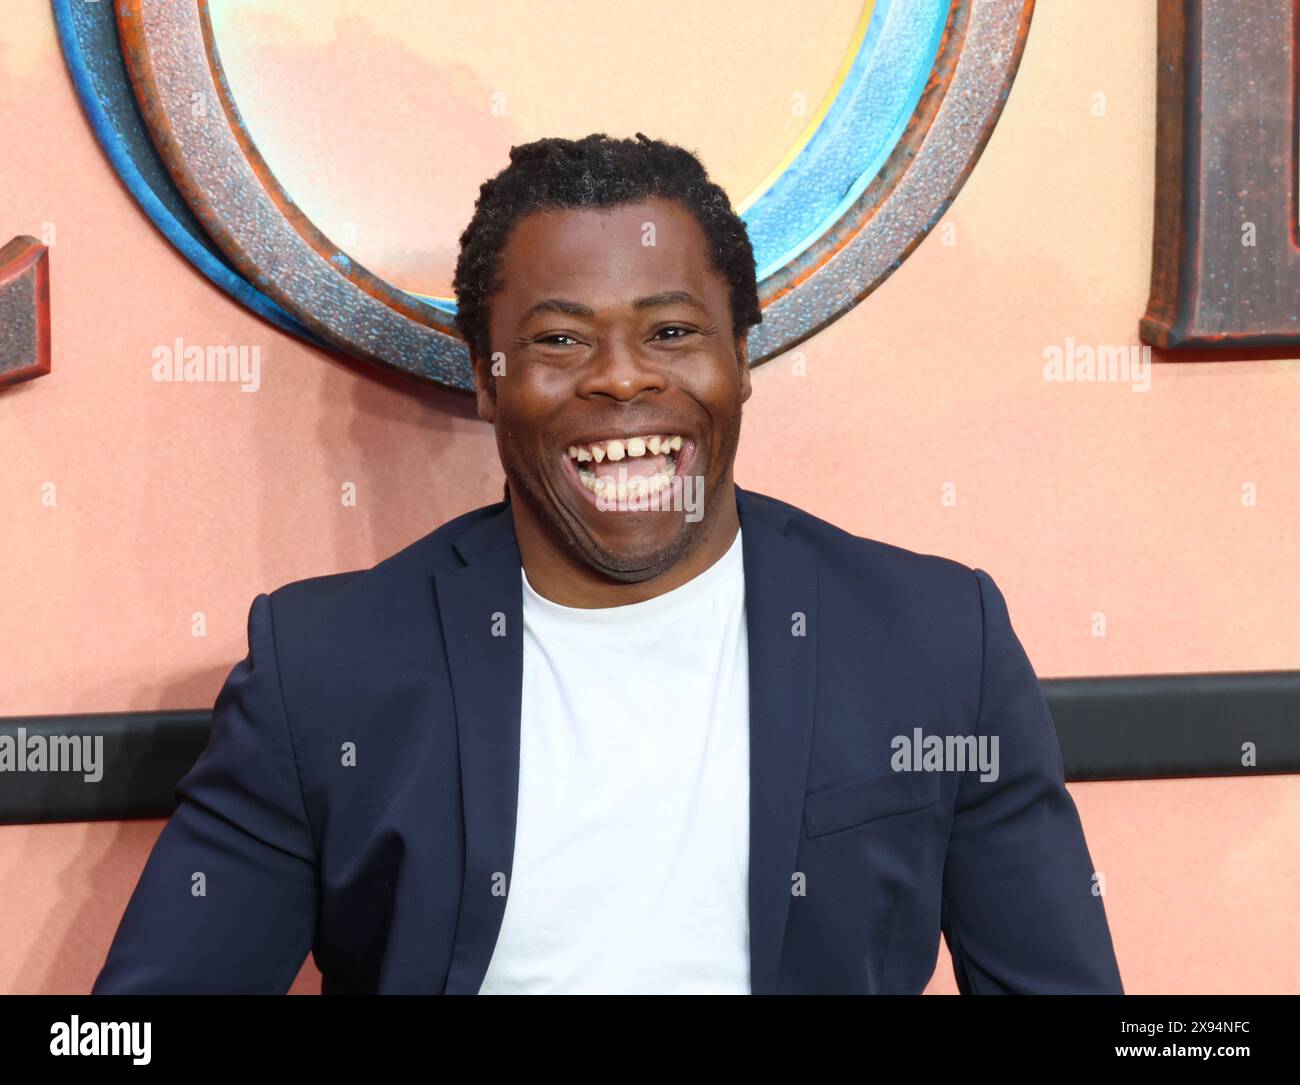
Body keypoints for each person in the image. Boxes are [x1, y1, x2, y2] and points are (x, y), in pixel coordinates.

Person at [93, 133, 1122, 995]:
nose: (622, 377)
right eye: (559, 340)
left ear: (740, 358)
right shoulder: (323, 669)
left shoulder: (935, 640)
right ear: (487, 383)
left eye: (671, 330)